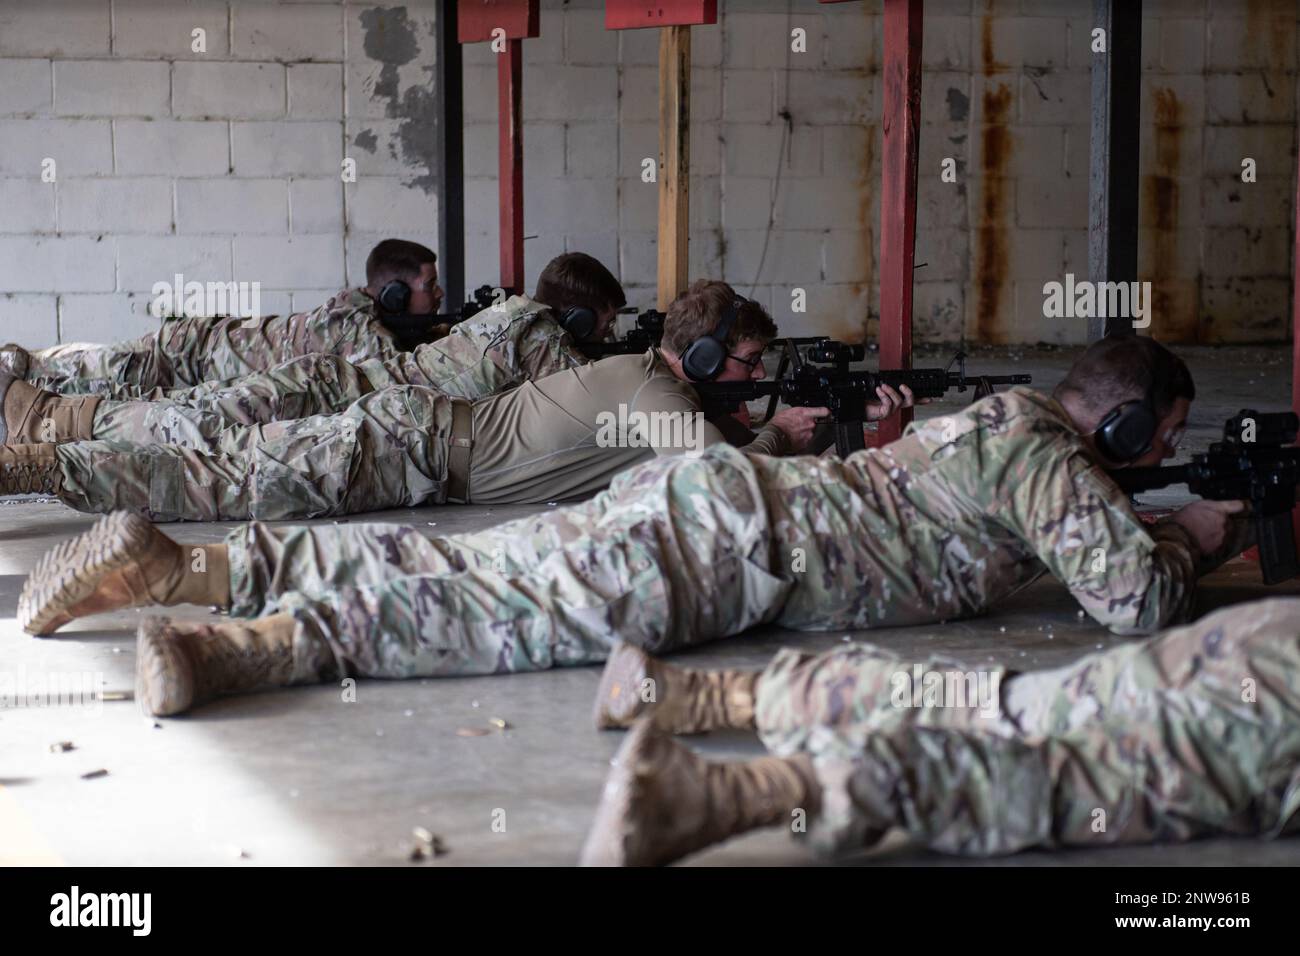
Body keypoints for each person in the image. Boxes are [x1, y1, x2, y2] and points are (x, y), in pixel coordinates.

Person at [19, 337, 1243, 721]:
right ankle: (253, 633)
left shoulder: (1001, 423)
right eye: (1156, 429)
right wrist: (1199, 534)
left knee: (486, 564)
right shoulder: (1046, 452)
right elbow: (1129, 599)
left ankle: (199, 567)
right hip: (742, 545)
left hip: (727, 515)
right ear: (1127, 416)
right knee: (509, 606)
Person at [0, 281, 863, 521]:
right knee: (216, 480)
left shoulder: (650, 384)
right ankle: (44, 461)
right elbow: (730, 478)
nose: (754, 378)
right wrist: (784, 436)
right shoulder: (653, 397)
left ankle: (46, 447)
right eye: (747, 363)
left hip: (412, 436)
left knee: (215, 461)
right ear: (705, 354)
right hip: (404, 450)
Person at [579, 597, 1300, 865]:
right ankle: (735, 794)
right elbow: (1134, 590)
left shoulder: (1018, 423)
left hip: (1258, 639)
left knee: (999, 703)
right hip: (1275, 704)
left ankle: (692, 696)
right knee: (1068, 779)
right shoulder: (1051, 461)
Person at [0, 252, 618, 448]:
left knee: (185, 414)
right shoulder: (356, 325)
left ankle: (50, 415)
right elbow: (590, 406)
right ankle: (44, 411)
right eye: (605, 325)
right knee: (184, 415)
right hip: (304, 384)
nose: (609, 338)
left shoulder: (506, 322)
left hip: (307, 384)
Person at [0, 238, 444, 397]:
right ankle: (12, 367)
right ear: (395, 292)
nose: (439, 294)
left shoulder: (356, 313)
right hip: (190, 358)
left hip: (197, 349)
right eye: (430, 286)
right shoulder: (352, 325)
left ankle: (17, 367)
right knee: (90, 374)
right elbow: (401, 378)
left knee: (101, 369)